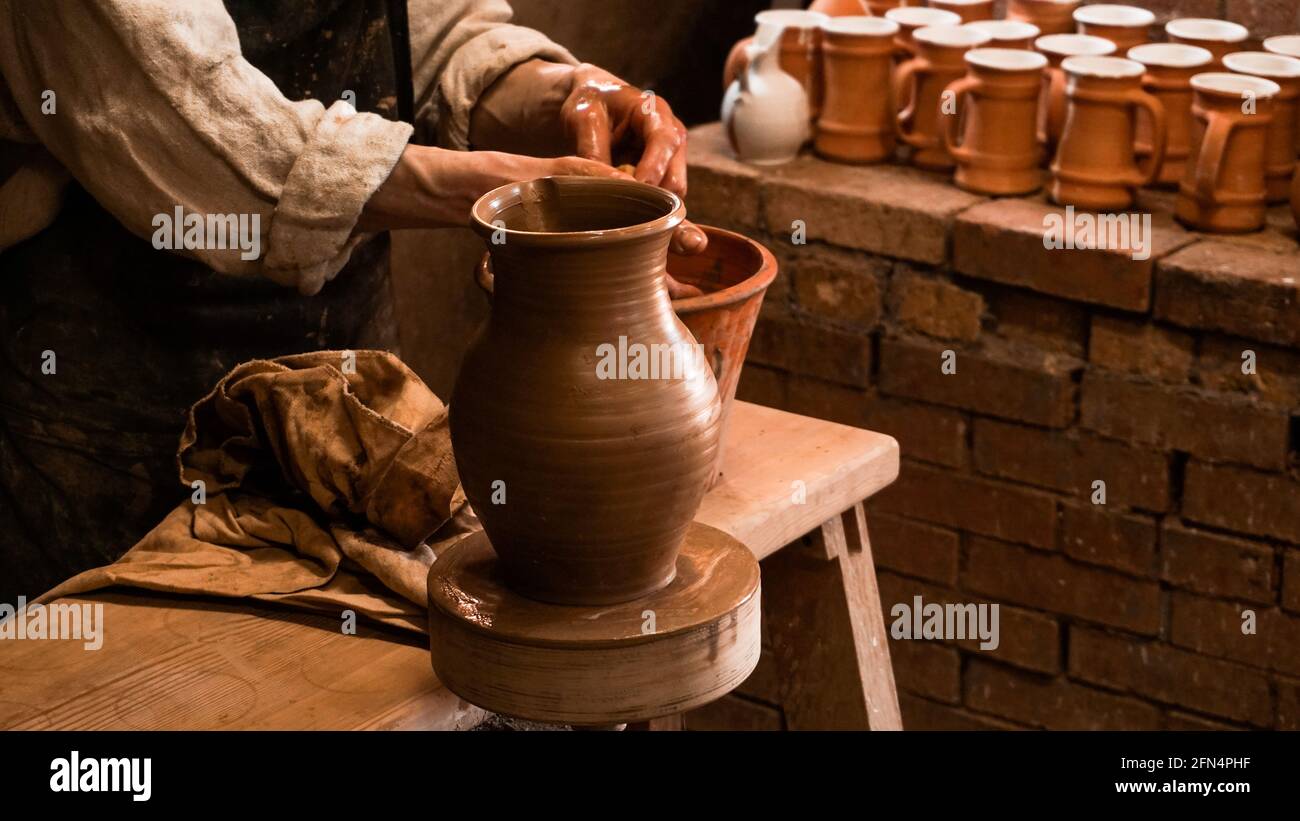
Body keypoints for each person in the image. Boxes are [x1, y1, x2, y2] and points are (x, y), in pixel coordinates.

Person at [0, 0, 699, 601]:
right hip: (112, 427)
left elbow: (431, 31)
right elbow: (183, 116)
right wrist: (517, 195)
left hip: (354, 414)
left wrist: (560, 95)